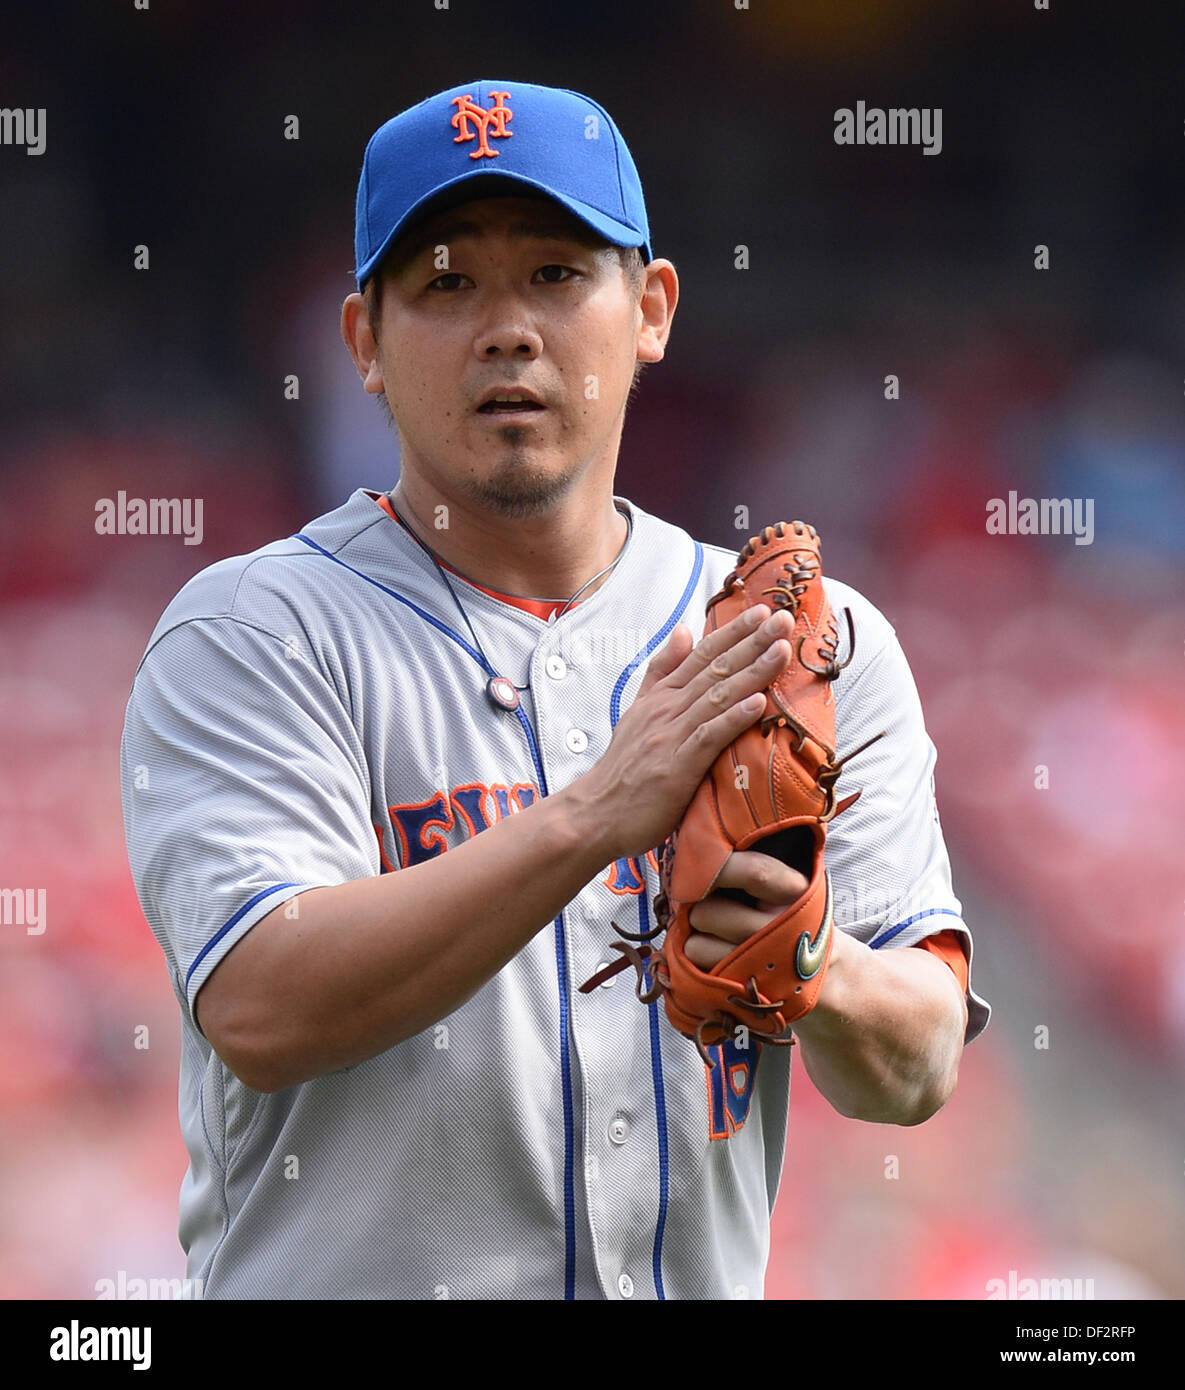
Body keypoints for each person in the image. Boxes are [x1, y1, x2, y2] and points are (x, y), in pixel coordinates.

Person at [120, 78, 989, 1301]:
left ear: (652, 309)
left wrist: (815, 962)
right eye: (445, 282)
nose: (507, 328)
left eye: (556, 273)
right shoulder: (255, 633)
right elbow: (261, 1006)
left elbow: (915, 1066)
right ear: (363, 343)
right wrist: (594, 817)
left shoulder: (805, 642)